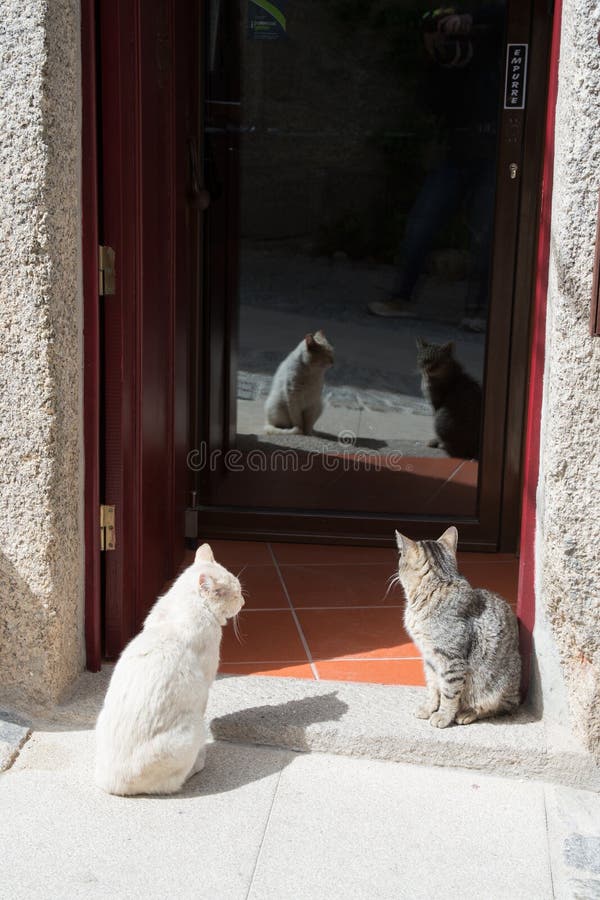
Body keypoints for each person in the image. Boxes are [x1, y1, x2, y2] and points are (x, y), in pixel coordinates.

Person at [368, 5, 504, 331]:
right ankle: (401, 297)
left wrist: (472, 20)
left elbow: (507, 16)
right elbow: (431, 105)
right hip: (457, 151)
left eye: (452, 30)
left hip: (495, 149)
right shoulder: (443, 67)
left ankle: (479, 310)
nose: (449, 39)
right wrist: (437, 60)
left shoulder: (491, 47)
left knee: (486, 232)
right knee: (422, 222)